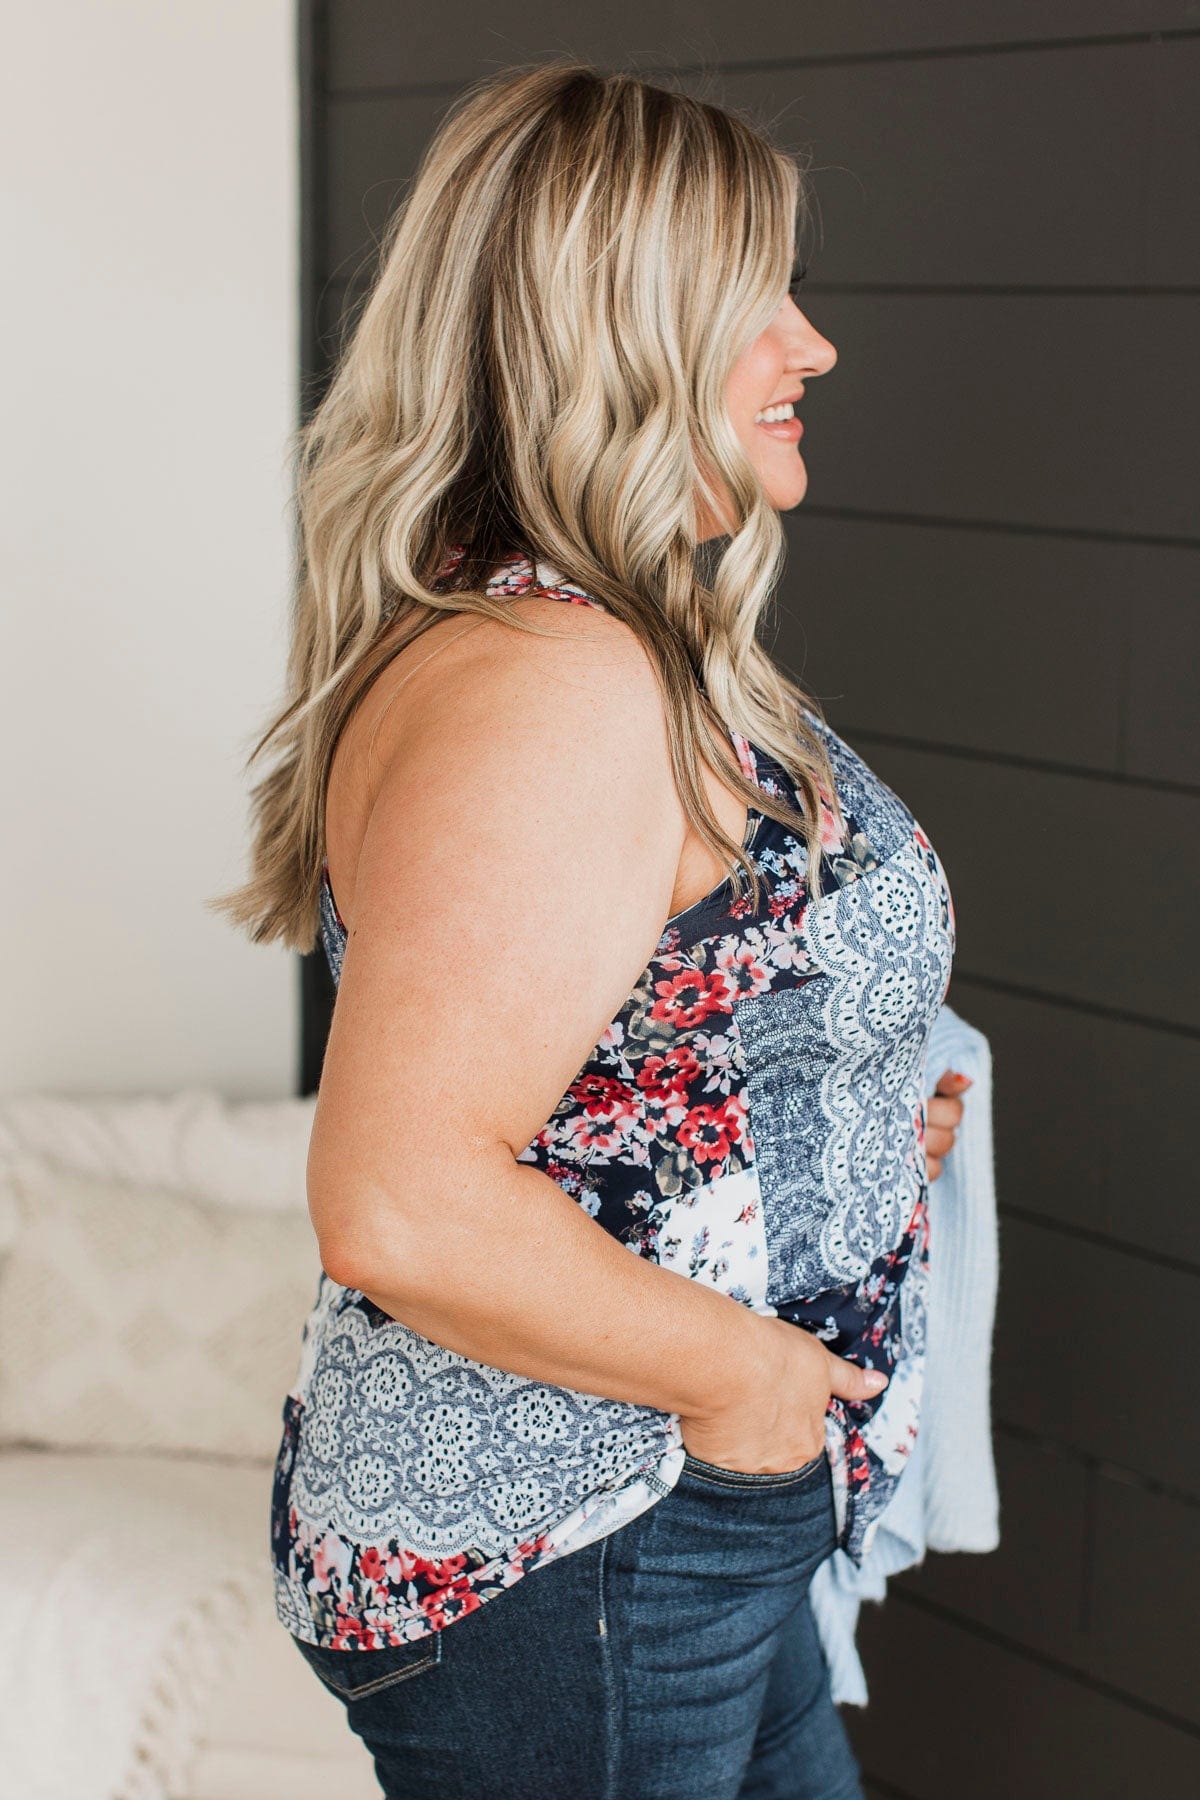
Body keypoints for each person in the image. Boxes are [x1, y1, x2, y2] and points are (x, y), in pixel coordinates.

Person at [211, 58, 970, 1800]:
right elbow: (402, 1200)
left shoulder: (603, 634)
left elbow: (644, 1031)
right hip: (593, 1542)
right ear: (617, 335)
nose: (813, 345)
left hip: (672, 1510)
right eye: (756, 298)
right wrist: (752, 1384)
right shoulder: (553, 681)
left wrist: (850, 1110)